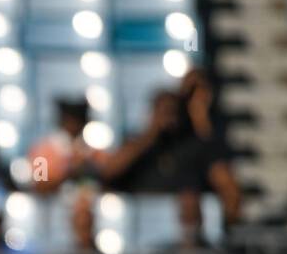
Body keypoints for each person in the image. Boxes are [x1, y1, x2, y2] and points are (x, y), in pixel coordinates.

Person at [100, 88, 242, 228]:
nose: (168, 118)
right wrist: (151, 133)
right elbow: (108, 172)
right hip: (141, 227)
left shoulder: (196, 146)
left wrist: (226, 224)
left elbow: (228, 189)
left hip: (187, 228)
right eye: (162, 111)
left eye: (172, 111)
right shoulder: (137, 145)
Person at [28, 97, 100, 194]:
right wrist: (70, 170)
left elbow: (108, 171)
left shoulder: (89, 149)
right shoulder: (43, 149)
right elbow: (39, 185)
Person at [46, 198, 127, 254]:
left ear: (93, 221)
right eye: (78, 220)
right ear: (72, 223)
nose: (83, 222)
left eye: (87, 219)